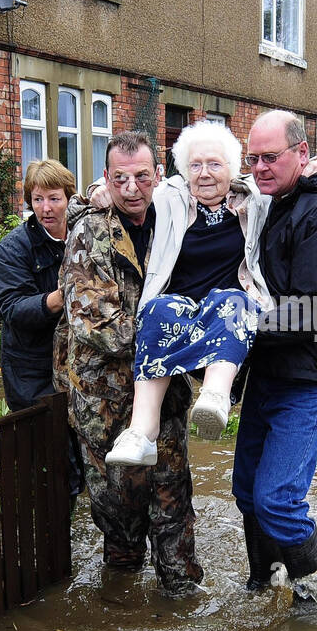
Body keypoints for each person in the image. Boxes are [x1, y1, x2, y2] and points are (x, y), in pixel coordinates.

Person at [57, 131, 201, 595]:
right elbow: (99, 326)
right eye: (120, 178)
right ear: (105, 178)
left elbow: (229, 181)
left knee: (173, 502)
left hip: (166, 400)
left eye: (142, 176)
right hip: (106, 404)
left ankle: (181, 597)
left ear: (159, 176)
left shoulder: (177, 221)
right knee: (117, 512)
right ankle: (119, 609)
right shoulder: (89, 233)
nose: (132, 187)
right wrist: (176, 335)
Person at [232, 110, 317, 598]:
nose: (260, 167)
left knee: (278, 499)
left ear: (301, 154)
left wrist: (236, 327)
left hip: (309, 379)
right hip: (270, 373)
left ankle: (315, 597)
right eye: (253, 158)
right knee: (248, 491)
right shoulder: (279, 203)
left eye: (271, 157)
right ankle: (261, 583)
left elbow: (314, 313)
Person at [103, 120, 272, 466]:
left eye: (214, 164)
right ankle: (142, 432)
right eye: (195, 165)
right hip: (180, 315)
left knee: (233, 300)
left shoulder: (255, 200)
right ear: (184, 170)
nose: (205, 173)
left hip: (228, 317)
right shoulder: (170, 197)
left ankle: (215, 398)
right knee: (156, 308)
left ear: (232, 167)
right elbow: (128, 183)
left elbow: (292, 180)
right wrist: (95, 189)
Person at [0, 159, 76, 412]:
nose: (45, 208)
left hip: (78, 361)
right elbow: (12, 308)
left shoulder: (83, 236)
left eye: (54, 198)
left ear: (69, 198)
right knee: (44, 441)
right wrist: (62, 297)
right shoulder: (12, 249)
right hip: (32, 367)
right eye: (38, 199)